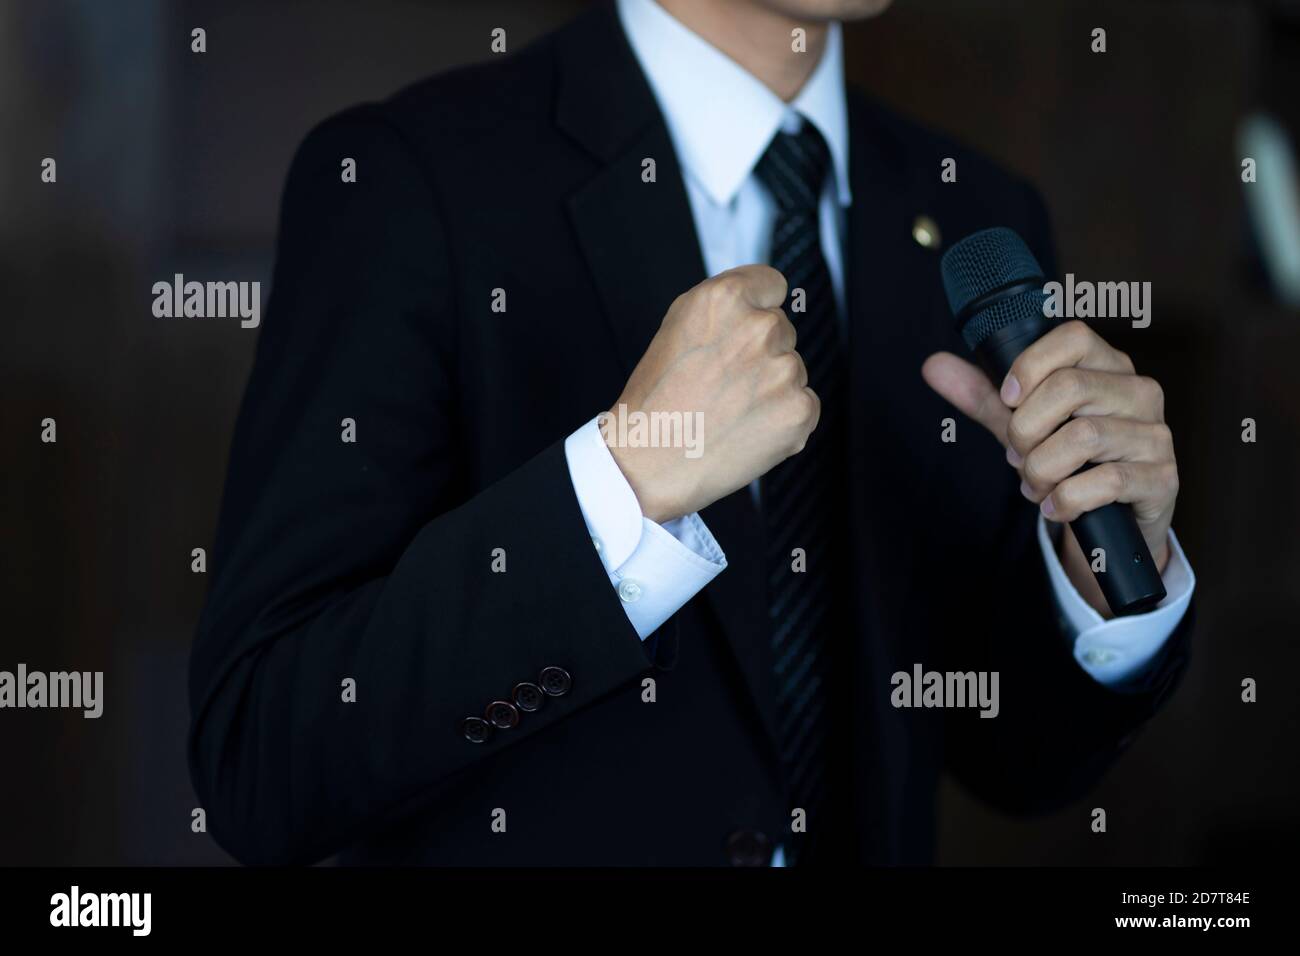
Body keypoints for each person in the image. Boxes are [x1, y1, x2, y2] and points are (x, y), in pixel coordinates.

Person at [188, 0, 1195, 866]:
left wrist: (1099, 576)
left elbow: (1007, 759)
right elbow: (261, 755)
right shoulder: (408, 180)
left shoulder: (971, 212)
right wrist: (620, 486)